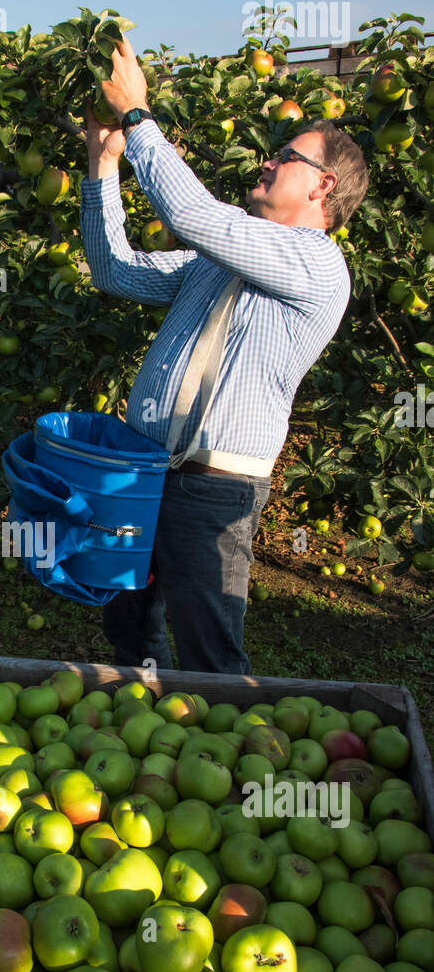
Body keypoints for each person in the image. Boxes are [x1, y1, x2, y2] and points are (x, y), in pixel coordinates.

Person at [79, 37, 369, 676]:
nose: (266, 163)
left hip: (215, 487)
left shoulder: (318, 265)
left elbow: (191, 212)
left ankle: (225, 765)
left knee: (208, 648)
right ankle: (146, 736)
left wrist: (138, 114)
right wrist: (103, 165)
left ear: (324, 185)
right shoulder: (217, 259)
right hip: (142, 469)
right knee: (128, 625)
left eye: (285, 157)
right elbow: (114, 269)